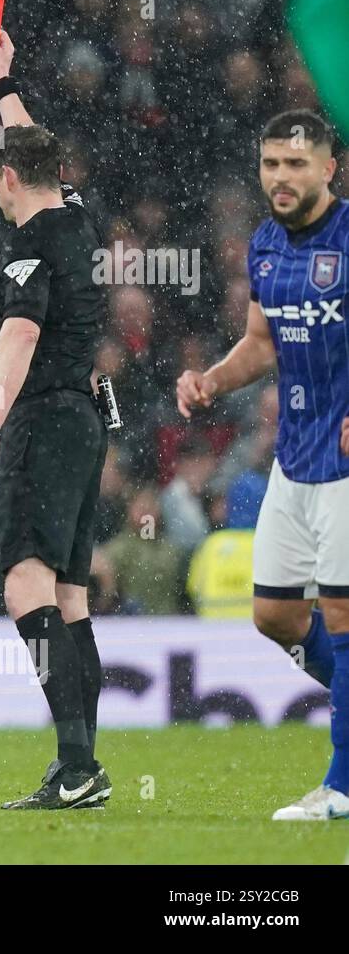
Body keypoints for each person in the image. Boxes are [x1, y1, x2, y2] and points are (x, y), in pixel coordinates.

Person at [176, 109, 349, 821]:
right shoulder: (267, 246)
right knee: (275, 614)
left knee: (341, 612)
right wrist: (213, 380)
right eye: (271, 163)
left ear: (329, 168)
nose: (280, 177)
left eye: (296, 164)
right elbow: (263, 340)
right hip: (295, 457)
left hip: (344, 462)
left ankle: (342, 785)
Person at [0, 30, 111, 810]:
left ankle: (78, 767)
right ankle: (80, 765)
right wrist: (2, 82)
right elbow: (33, 148)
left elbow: (18, 333)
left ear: (7, 177)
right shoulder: (79, 221)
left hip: (44, 422)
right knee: (70, 597)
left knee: (27, 588)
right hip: (86, 422)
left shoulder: (27, 250)